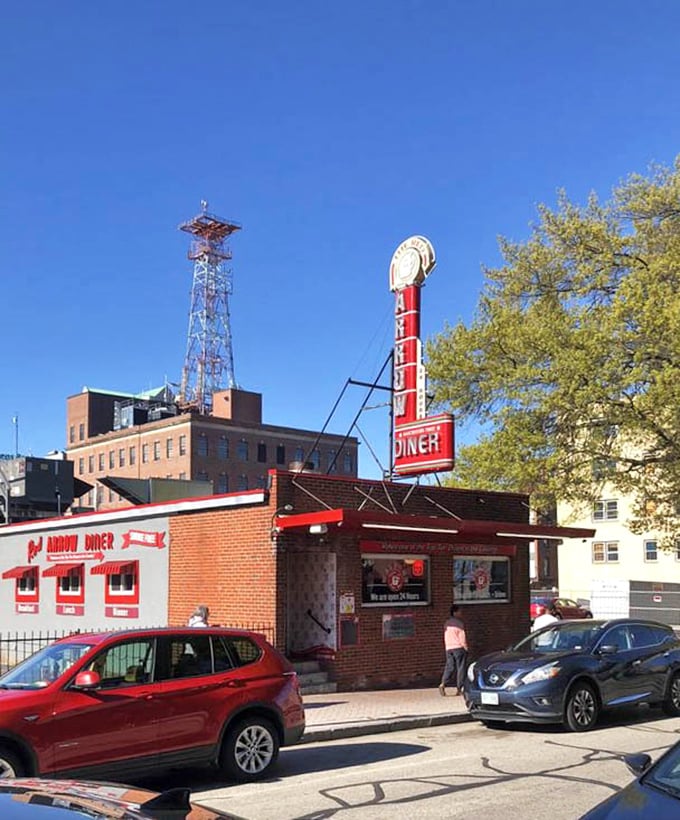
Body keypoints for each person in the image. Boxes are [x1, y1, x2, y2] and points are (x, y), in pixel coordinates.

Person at [438, 604, 468, 696]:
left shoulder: (447, 623)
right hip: (458, 647)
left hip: (449, 648)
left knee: (449, 667)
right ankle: (460, 688)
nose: (461, 613)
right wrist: (465, 647)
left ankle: (443, 683)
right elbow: (462, 636)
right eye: (459, 611)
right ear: (454, 612)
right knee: (461, 668)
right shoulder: (459, 624)